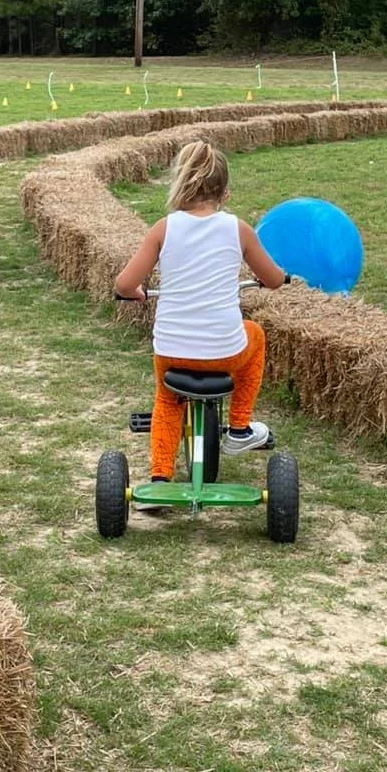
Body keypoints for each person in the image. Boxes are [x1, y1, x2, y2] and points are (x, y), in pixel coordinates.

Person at [114, 140, 289, 502]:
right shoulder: (238, 230)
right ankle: (239, 427)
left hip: (172, 352)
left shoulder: (164, 229)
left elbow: (125, 284)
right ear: (225, 193)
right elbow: (272, 279)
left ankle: (159, 481)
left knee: (166, 398)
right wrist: (279, 279)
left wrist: (136, 294)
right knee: (254, 334)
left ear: (180, 187)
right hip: (224, 352)